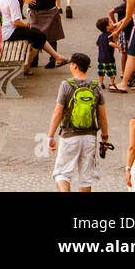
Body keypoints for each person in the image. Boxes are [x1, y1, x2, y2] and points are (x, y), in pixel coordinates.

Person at [47, 53, 109, 192]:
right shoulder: (96, 87)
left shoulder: (66, 85)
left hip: (69, 135)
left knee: (62, 174)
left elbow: (58, 112)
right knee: (86, 178)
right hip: (89, 137)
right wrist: (104, 137)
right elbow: (102, 116)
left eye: (70, 64)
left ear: (75, 66)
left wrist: (50, 136)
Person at [0, 0, 64, 71]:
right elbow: (16, 22)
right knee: (40, 37)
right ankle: (28, 65)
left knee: (37, 34)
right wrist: (26, 24)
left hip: (2, 30)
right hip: (9, 32)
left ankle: (57, 56)